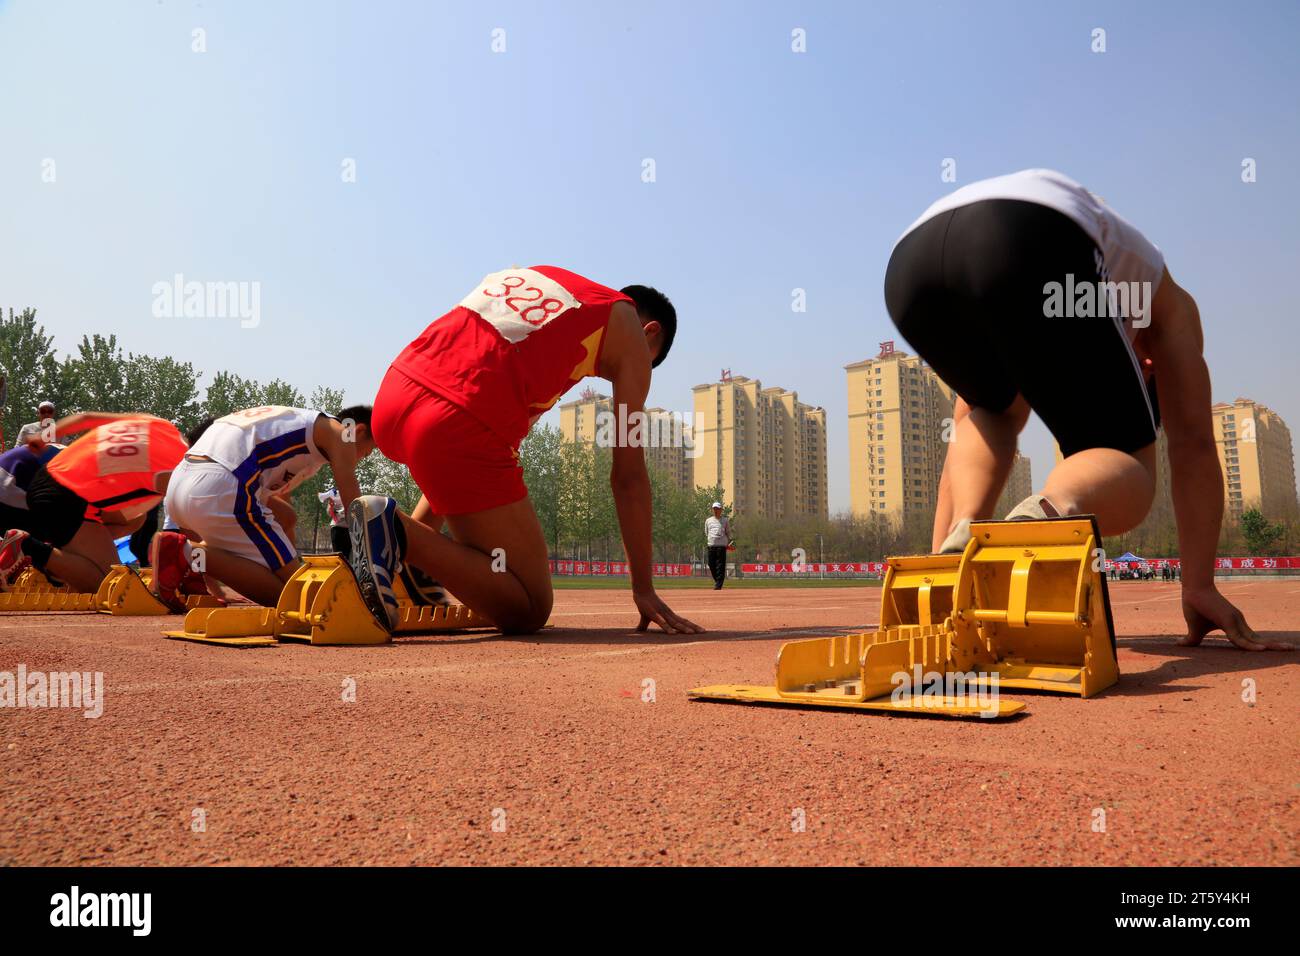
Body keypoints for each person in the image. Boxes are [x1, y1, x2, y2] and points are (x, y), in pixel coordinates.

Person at [884, 168, 1289, 652]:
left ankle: (960, 545)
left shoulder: (1117, 279)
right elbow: (1194, 446)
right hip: (1030, 232)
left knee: (993, 409)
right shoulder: (1171, 306)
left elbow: (969, 424)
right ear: (1152, 366)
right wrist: (1198, 584)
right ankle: (1042, 518)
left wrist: (938, 580)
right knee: (1129, 462)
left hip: (914, 266)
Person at [350, 265, 703, 636]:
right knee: (529, 606)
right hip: (456, 421)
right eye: (649, 362)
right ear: (651, 332)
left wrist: (415, 550)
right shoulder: (628, 329)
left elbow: (456, 464)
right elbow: (629, 477)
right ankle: (393, 528)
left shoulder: (549, 287)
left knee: (461, 460)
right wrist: (643, 589)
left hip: (395, 397)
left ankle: (406, 557)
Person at [150, 405, 374, 608]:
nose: (363, 458)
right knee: (300, 597)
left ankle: (190, 560)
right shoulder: (345, 430)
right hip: (224, 485)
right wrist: (372, 556)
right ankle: (186, 553)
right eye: (368, 451)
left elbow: (279, 509)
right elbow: (352, 501)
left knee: (288, 586)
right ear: (360, 431)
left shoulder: (299, 431)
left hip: (184, 483)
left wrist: (284, 561)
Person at [0, 412, 186, 593]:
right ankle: (27, 546)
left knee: (137, 518)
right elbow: (191, 522)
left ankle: (63, 555)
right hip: (62, 496)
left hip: (52, 478)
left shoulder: (159, 424)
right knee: (108, 585)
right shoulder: (179, 468)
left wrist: (42, 438)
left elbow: (84, 418)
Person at [704, 501, 733, 590]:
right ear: (712, 510)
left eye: (718, 509)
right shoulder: (708, 521)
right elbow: (706, 532)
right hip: (711, 545)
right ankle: (718, 580)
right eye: (714, 509)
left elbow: (728, 533)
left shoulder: (725, 520)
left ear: (721, 510)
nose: (716, 510)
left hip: (721, 546)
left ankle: (718, 584)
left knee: (720, 565)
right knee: (711, 564)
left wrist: (730, 542)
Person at [318, 486, 350, 557]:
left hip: (348, 529)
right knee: (338, 554)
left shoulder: (351, 496)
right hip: (337, 528)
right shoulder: (335, 497)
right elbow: (330, 513)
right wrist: (331, 505)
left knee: (348, 553)